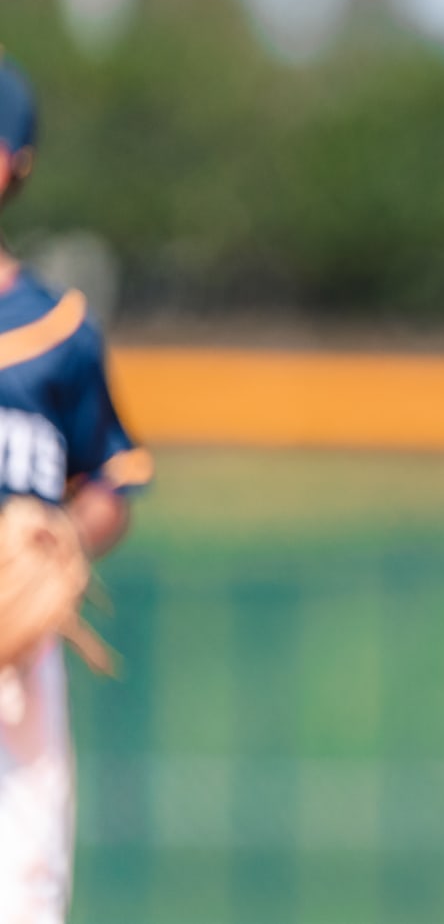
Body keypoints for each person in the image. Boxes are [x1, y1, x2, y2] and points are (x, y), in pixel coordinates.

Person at [0, 56, 152, 924]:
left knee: (24, 894)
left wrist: (63, 540)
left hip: (15, 663)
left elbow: (112, 485)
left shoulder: (58, 333)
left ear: (15, 163)